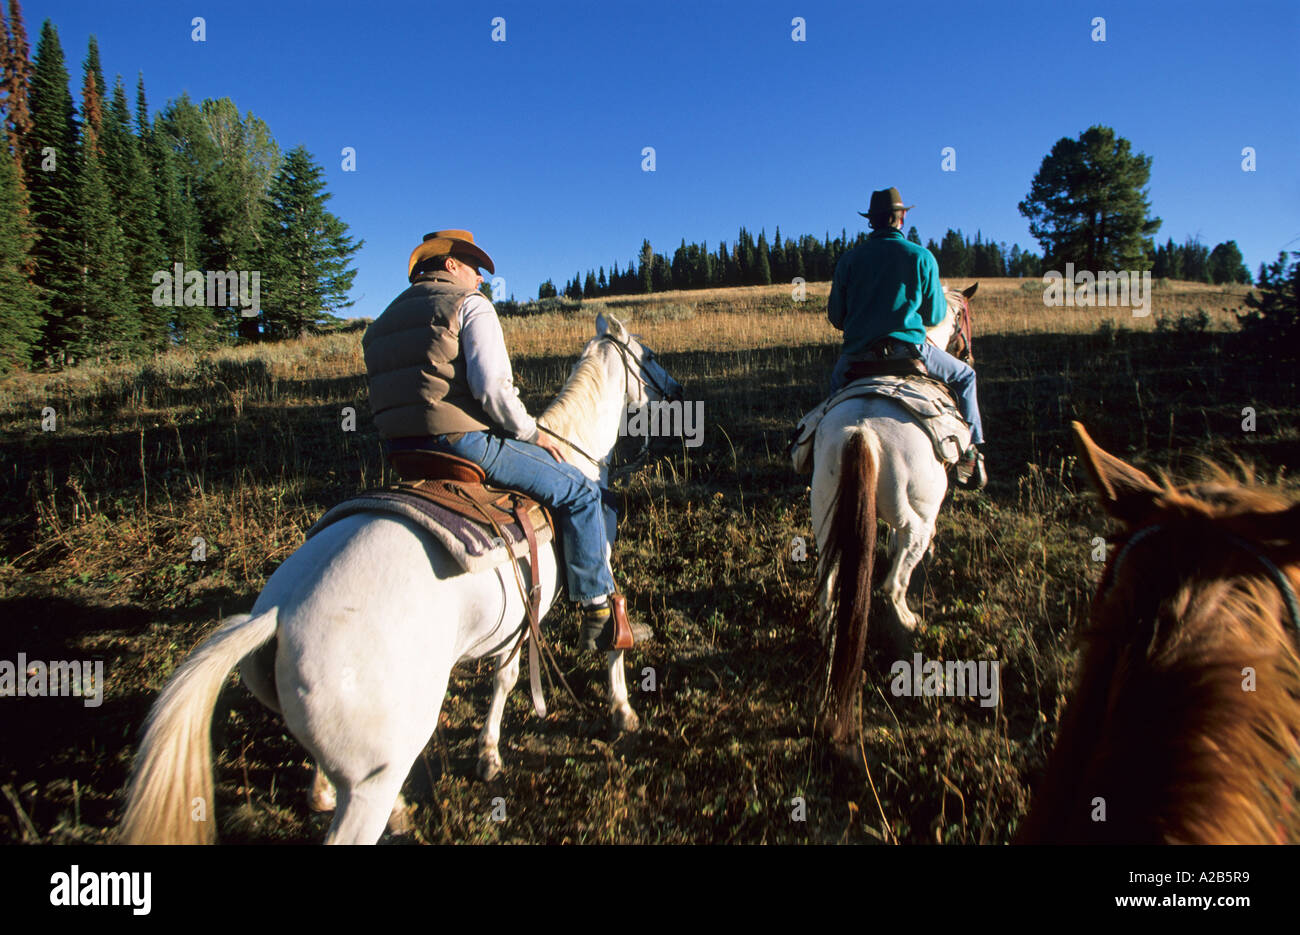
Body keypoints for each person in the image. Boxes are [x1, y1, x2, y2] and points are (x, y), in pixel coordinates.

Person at [362, 229, 631, 650]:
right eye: (474, 267)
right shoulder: (469, 305)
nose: (482, 278)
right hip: (461, 443)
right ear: (450, 265)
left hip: (401, 452)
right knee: (580, 490)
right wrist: (530, 432)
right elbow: (492, 390)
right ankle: (597, 610)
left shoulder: (380, 323)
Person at [827, 189, 987, 489]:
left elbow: (837, 317)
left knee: (831, 402)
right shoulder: (921, 257)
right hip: (909, 350)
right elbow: (935, 315)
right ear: (901, 218)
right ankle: (971, 453)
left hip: (857, 357)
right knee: (965, 376)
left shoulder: (849, 261)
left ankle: (811, 456)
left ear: (871, 222)